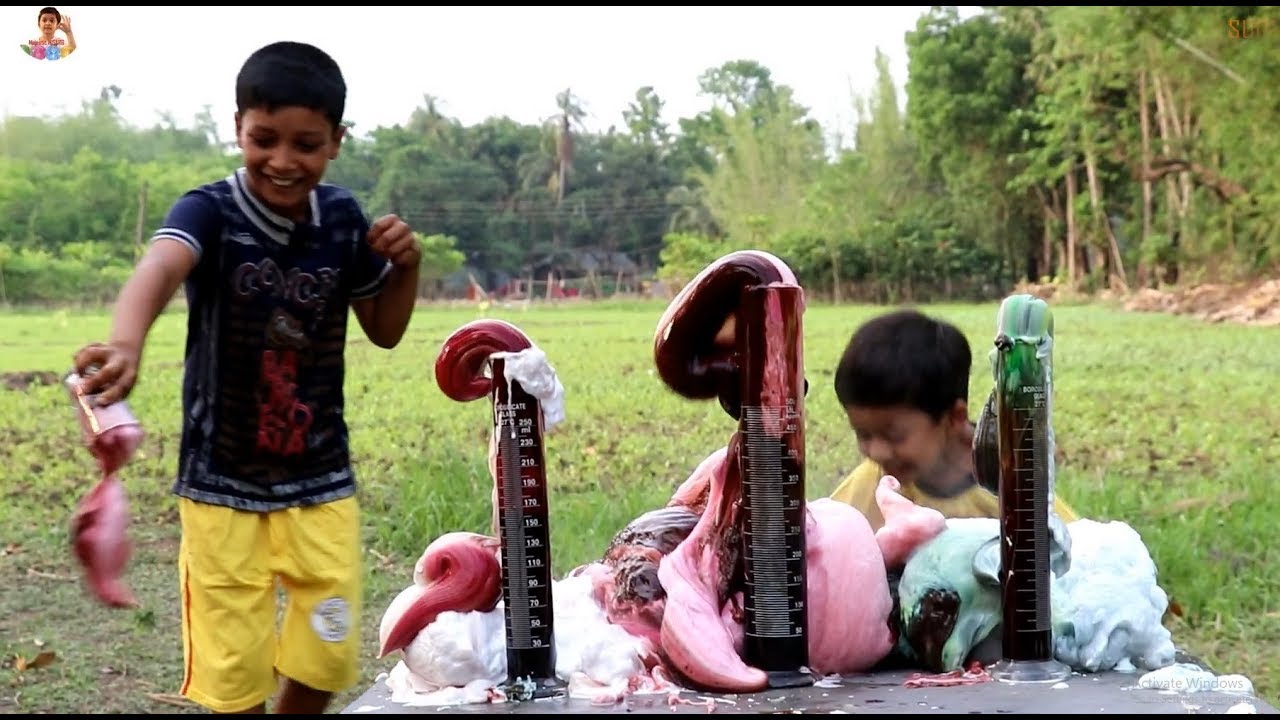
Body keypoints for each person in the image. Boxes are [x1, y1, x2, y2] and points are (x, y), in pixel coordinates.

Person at [71, 41, 421, 714]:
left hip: (321, 480)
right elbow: (161, 265)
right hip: (220, 484)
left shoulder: (343, 221)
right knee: (234, 670)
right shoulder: (209, 210)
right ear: (238, 128)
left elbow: (384, 328)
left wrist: (407, 268)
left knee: (328, 651)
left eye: (306, 145)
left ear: (336, 141)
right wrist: (125, 343)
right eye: (265, 139)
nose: (283, 161)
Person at [827, 309, 1079, 531]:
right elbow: (826, 538)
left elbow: (1074, 548)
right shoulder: (876, 482)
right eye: (863, 434)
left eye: (894, 436)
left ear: (954, 418)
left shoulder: (1011, 490)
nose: (877, 452)